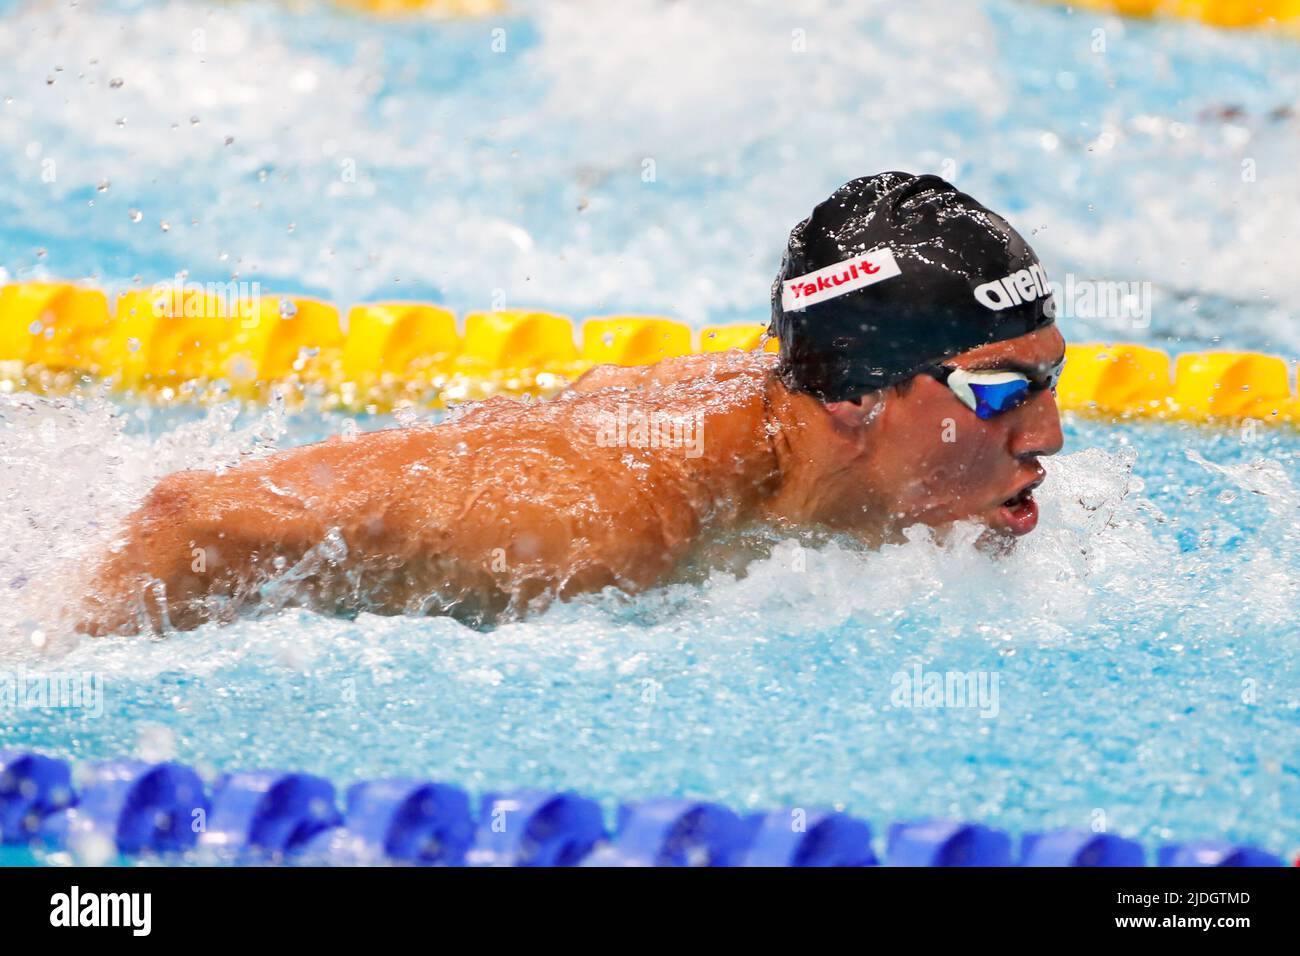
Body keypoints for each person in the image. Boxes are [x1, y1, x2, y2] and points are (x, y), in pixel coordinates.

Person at [75, 171, 1065, 635]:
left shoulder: (868, 443)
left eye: (1050, 377)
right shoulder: (608, 525)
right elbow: (192, 518)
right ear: (852, 395)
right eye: (1000, 392)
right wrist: (62, 651)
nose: (1049, 432)